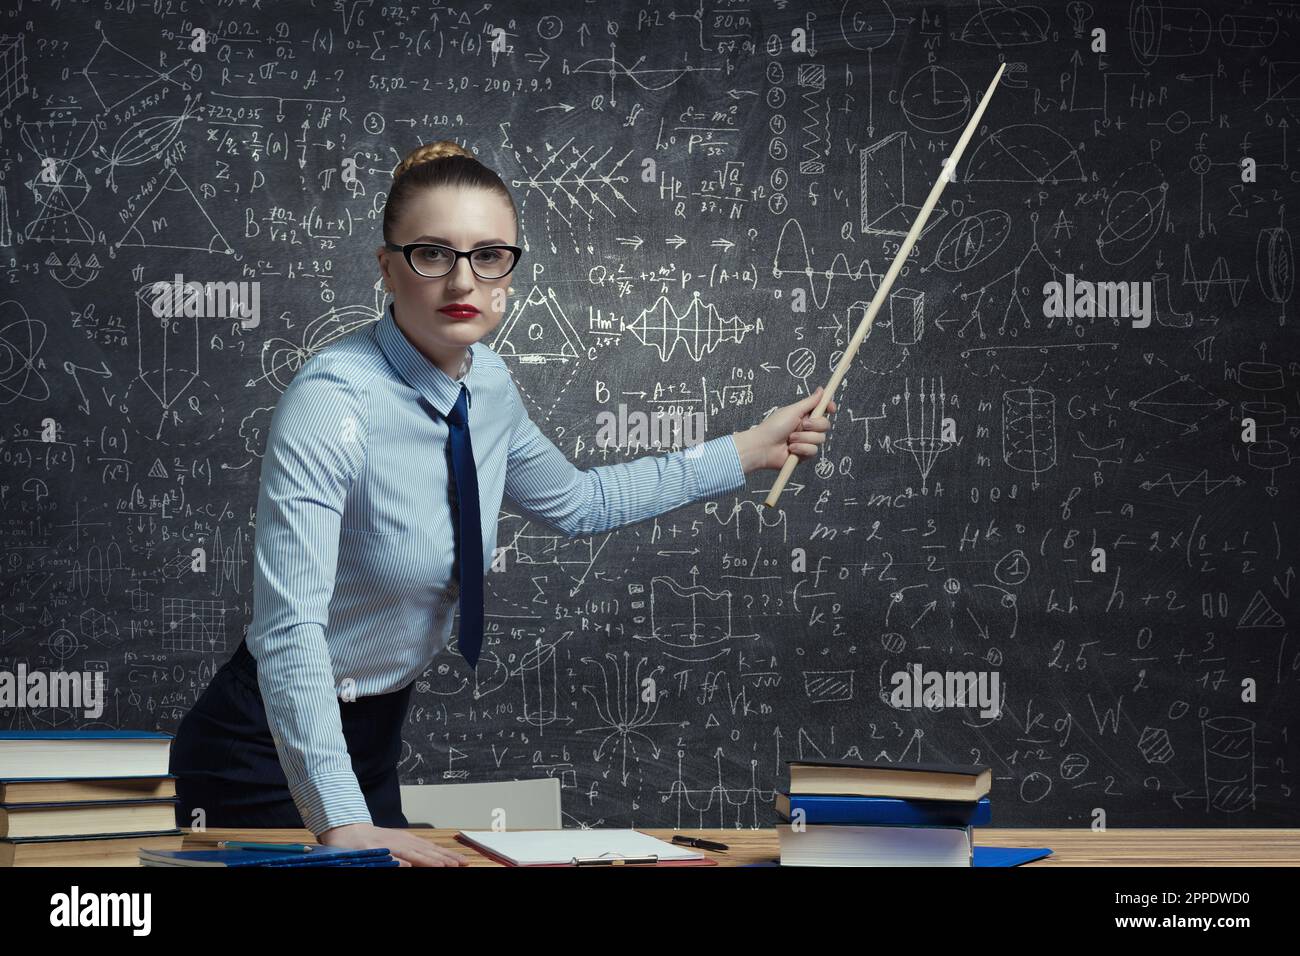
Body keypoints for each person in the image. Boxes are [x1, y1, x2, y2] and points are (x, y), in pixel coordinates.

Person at [169, 140, 837, 866]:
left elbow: (580, 501)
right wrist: (341, 821)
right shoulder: (331, 404)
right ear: (387, 265)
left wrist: (749, 449)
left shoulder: (486, 387)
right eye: (432, 253)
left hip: (369, 741)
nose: (462, 278)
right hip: (263, 748)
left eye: (488, 255)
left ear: (509, 275)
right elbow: (290, 628)